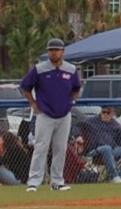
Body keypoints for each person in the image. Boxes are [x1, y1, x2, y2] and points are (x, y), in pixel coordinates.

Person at [20, 38, 83, 192]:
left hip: (64, 114)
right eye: (51, 50)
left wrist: (71, 102)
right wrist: (33, 103)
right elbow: (25, 86)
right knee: (40, 147)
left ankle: (57, 181)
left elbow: (77, 88)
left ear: (63, 52)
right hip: (45, 113)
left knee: (60, 148)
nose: (53, 52)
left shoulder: (71, 69)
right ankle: (34, 182)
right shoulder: (40, 69)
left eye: (56, 50)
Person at [80, 106, 121, 183]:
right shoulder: (91, 121)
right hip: (95, 151)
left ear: (112, 114)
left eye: (108, 112)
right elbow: (77, 126)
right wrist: (78, 136)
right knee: (106, 148)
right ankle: (113, 176)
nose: (105, 114)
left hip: (110, 151)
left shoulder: (116, 126)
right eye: (103, 112)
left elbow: (119, 142)